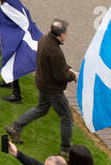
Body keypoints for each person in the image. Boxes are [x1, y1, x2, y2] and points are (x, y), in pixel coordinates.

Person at [6, 19, 76, 157]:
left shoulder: (44, 39)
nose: (67, 35)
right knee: (67, 118)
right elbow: (60, 75)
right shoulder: (55, 51)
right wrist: (72, 76)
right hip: (52, 89)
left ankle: (15, 127)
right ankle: (66, 149)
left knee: (41, 109)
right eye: (66, 33)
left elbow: (57, 66)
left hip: (42, 82)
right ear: (60, 35)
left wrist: (71, 71)